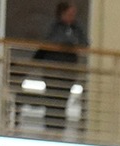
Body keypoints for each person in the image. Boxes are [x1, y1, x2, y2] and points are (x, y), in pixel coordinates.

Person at [32, 3, 87, 136]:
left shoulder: (77, 28)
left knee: (63, 103)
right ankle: (49, 130)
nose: (72, 17)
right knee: (51, 102)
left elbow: (84, 43)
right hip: (52, 73)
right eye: (70, 14)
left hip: (68, 73)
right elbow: (49, 42)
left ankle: (60, 131)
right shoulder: (53, 27)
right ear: (62, 14)